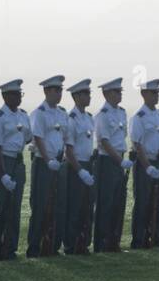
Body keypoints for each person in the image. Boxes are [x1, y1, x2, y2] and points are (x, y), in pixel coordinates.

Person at [0, 79, 30, 261]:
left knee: (14, 208)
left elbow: (27, 138)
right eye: (16, 94)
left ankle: (9, 249)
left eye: (20, 94)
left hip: (17, 162)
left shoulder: (23, 115)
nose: (19, 98)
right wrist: (3, 174)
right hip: (1, 162)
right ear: (5, 96)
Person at [28, 75, 70, 258]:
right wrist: (47, 160)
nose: (59, 94)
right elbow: (38, 138)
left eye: (61, 90)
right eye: (56, 90)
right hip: (44, 164)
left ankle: (53, 245)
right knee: (41, 206)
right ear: (46, 91)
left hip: (59, 163)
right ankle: (35, 247)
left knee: (59, 205)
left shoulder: (62, 113)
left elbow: (66, 137)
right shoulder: (39, 113)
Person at [92, 78, 128, 252]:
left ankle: (114, 241)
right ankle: (101, 243)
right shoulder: (102, 115)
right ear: (106, 94)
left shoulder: (122, 113)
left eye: (120, 91)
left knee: (118, 203)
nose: (119, 94)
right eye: (116, 91)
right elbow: (104, 142)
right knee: (105, 204)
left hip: (119, 161)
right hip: (107, 161)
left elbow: (121, 138)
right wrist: (120, 161)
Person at [129, 78, 159, 248]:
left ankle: (156, 237)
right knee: (143, 203)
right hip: (145, 164)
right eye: (153, 93)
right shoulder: (139, 117)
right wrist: (148, 167)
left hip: (158, 162)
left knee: (157, 203)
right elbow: (137, 145)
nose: (156, 96)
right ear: (144, 94)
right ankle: (138, 240)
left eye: (157, 93)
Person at [64, 79, 97, 255]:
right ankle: (71, 244)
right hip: (77, 166)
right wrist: (80, 171)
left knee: (87, 206)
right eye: (85, 94)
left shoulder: (89, 118)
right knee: (75, 207)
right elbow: (68, 151)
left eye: (89, 93)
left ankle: (83, 243)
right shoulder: (72, 119)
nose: (89, 97)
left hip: (88, 164)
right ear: (76, 96)